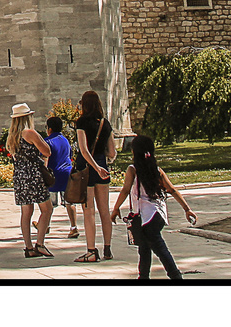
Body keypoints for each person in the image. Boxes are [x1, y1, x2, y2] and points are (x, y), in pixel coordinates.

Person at [111, 135, 197, 280]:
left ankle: (175, 276)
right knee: (144, 247)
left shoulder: (133, 170)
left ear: (134, 152)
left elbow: (125, 190)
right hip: (158, 215)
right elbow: (172, 190)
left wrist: (115, 208)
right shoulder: (157, 170)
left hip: (146, 217)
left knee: (160, 249)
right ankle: (143, 276)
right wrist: (187, 209)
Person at [74, 90, 118, 262]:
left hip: (87, 169)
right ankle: (107, 248)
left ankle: (91, 251)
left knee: (89, 211)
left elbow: (83, 150)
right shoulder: (105, 124)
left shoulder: (82, 122)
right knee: (104, 211)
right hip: (102, 166)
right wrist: (102, 163)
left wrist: (95, 167)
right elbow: (112, 152)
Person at [5, 103, 55, 258]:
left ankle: (28, 247)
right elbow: (47, 151)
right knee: (47, 209)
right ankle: (40, 243)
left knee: (26, 212)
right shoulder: (30, 133)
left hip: (20, 176)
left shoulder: (12, 135)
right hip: (33, 175)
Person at [42, 115, 78, 239]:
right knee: (69, 201)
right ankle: (74, 227)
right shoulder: (65, 140)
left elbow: (44, 158)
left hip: (53, 175)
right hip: (67, 173)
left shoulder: (47, 141)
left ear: (49, 129)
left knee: (49, 204)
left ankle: (45, 226)